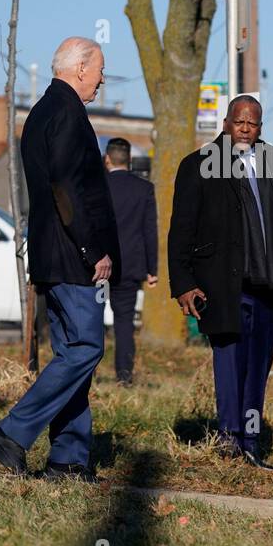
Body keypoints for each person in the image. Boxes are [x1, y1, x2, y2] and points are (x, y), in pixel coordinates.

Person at [0, 37, 119, 481]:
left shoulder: (44, 110)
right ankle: (12, 432)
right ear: (81, 68)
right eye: (100, 70)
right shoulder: (66, 113)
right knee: (86, 348)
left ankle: (68, 459)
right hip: (72, 256)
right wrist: (91, 249)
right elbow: (65, 188)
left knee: (70, 353)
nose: (102, 80)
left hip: (52, 254)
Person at [168, 95, 273, 471]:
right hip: (222, 283)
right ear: (226, 123)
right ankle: (229, 439)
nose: (246, 129)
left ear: (260, 127)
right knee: (229, 361)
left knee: (258, 367)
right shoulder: (198, 164)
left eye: (253, 123)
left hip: (267, 283)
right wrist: (183, 283)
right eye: (239, 121)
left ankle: (250, 441)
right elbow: (181, 229)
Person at [103, 137, 157, 385]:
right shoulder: (143, 189)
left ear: (107, 159)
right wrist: (152, 269)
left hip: (97, 265)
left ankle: (86, 372)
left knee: (92, 318)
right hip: (130, 265)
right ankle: (124, 375)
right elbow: (149, 230)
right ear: (130, 159)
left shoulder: (98, 186)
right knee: (124, 322)